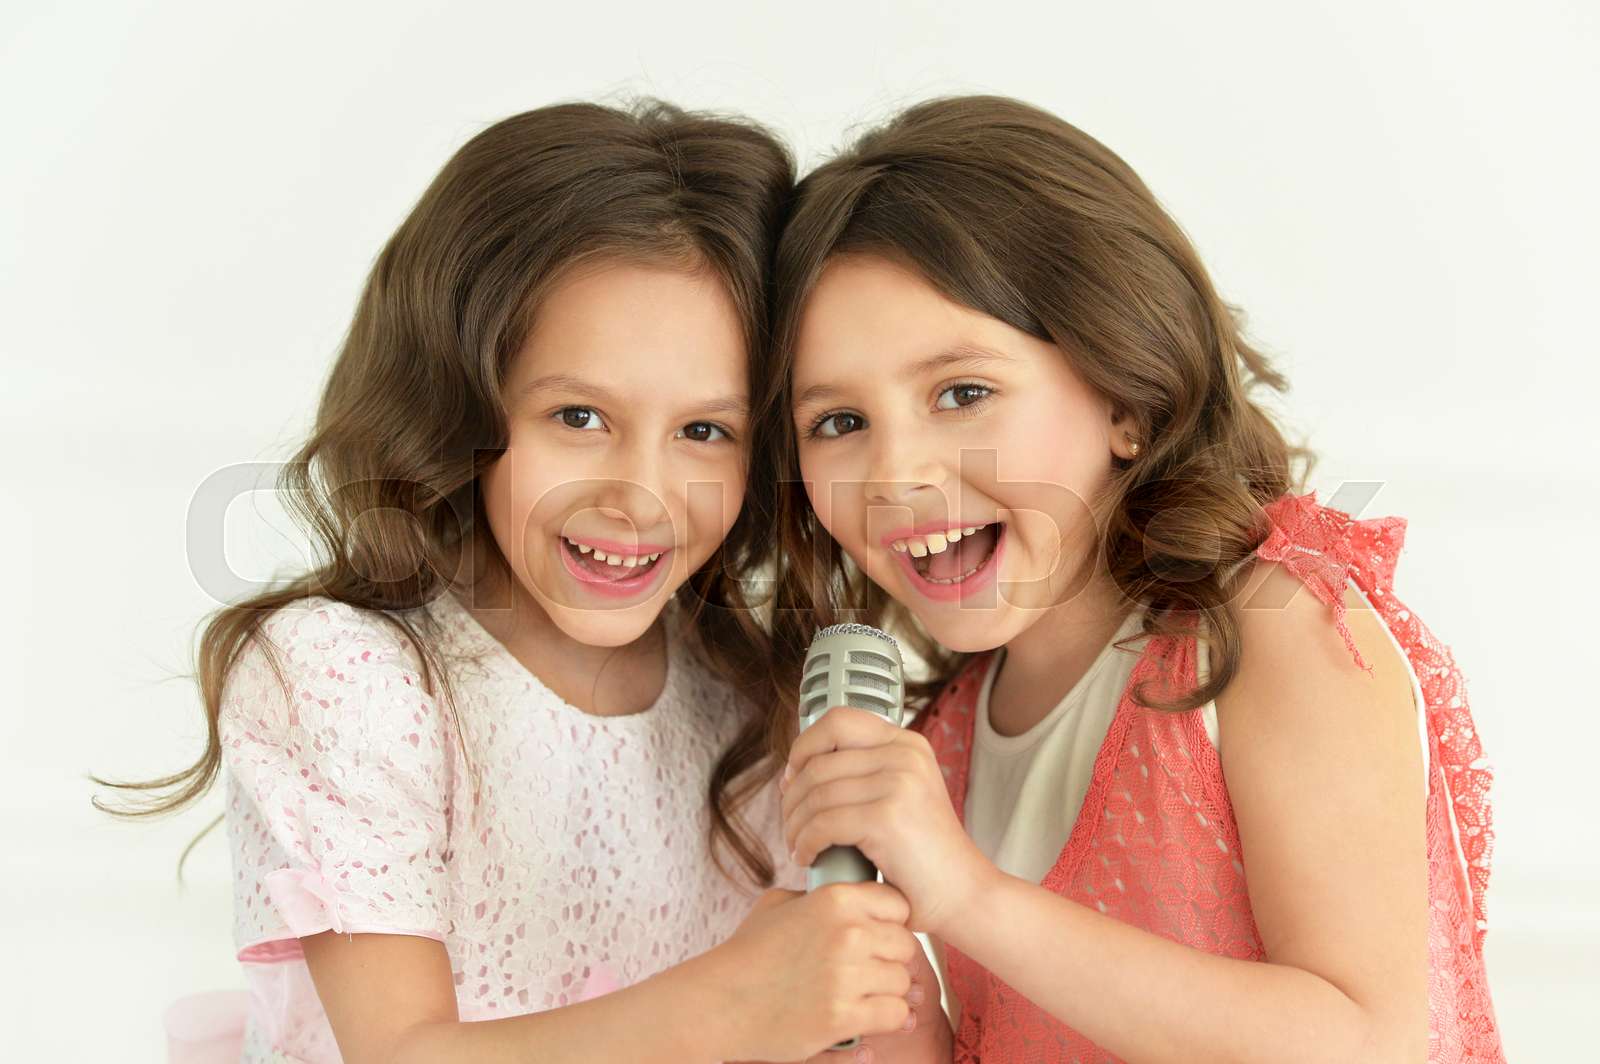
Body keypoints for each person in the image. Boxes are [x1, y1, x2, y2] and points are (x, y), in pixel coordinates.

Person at [95, 99, 940, 1064]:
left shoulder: (753, 703)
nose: (641, 496)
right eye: (579, 417)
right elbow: (402, 1052)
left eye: (704, 431)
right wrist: (736, 1005)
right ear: (464, 407)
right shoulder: (351, 678)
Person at [759, 94, 1503, 1062]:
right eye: (837, 421)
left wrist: (973, 899)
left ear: (1128, 398)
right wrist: (882, 1003)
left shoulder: (1274, 634)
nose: (894, 473)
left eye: (962, 392)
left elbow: (1367, 1038)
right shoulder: (943, 742)